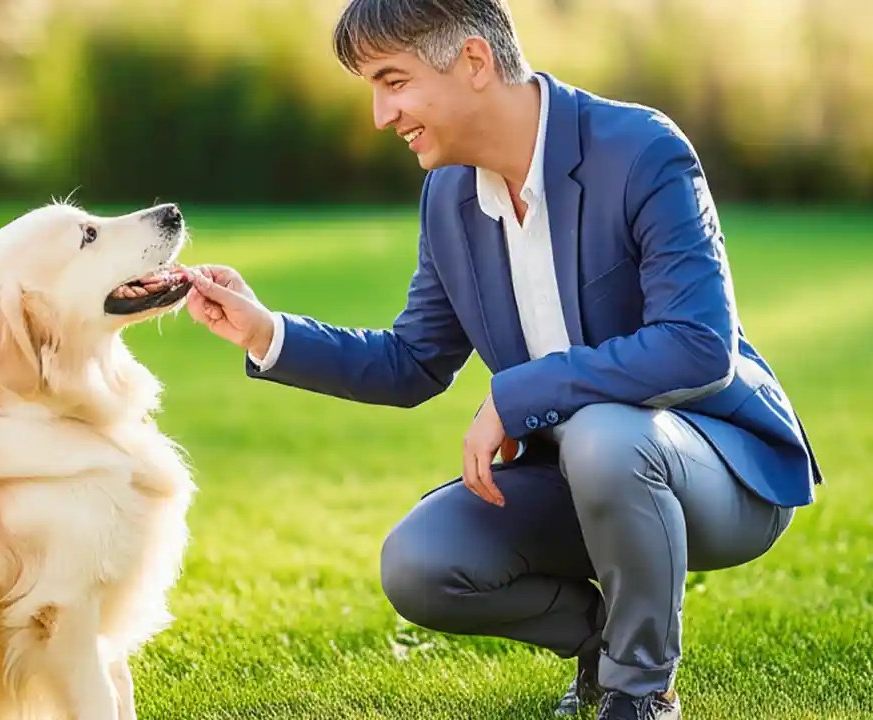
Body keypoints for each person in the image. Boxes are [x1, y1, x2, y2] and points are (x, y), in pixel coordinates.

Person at [183, 1, 821, 718]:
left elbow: (700, 345)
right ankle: (599, 646)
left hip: (717, 471)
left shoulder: (639, 149)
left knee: (604, 435)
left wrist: (522, 393)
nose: (380, 115)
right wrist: (266, 331)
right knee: (421, 562)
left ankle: (641, 692)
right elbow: (413, 361)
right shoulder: (449, 194)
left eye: (393, 81)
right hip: (581, 482)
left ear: (475, 62)